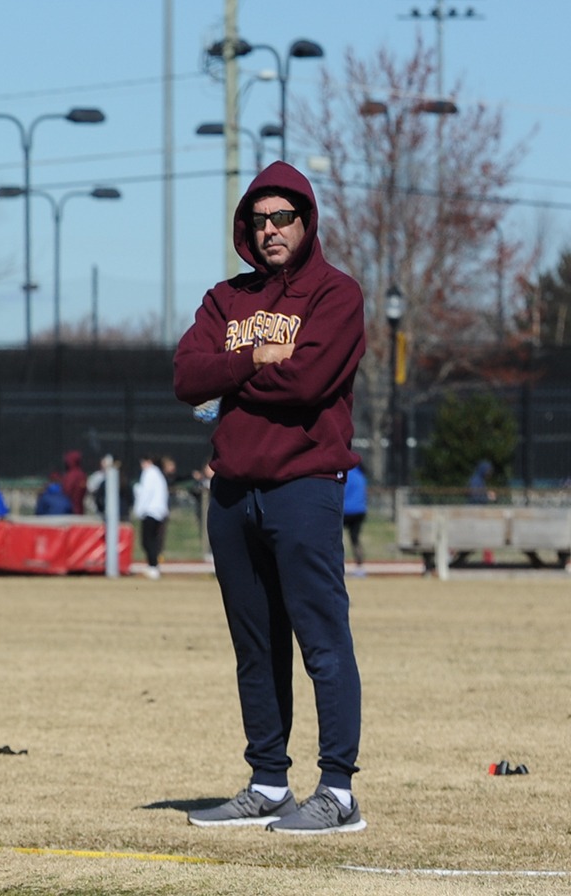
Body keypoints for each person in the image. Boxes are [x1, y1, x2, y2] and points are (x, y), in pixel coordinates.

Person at [173, 161, 367, 834]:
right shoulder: (225, 299)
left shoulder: (337, 295)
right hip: (233, 494)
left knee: (322, 641)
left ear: (306, 222)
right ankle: (268, 784)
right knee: (255, 646)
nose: (271, 230)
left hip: (304, 488)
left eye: (283, 217)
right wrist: (253, 359)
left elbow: (309, 382)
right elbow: (186, 376)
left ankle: (338, 792)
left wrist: (228, 377)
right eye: (258, 220)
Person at [132, 456, 170, 580]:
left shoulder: (149, 473)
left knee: (147, 541)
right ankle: (153, 565)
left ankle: (153, 566)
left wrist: (138, 510)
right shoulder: (158, 474)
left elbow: (146, 493)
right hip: (159, 512)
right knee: (153, 540)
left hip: (150, 511)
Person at [342, 461, 367, 578]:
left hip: (346, 510)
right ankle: (360, 567)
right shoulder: (361, 476)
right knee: (355, 539)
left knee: (336, 538)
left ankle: (338, 565)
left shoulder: (345, 474)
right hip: (360, 511)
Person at [60, 450, 87, 515]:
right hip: (78, 509)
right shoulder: (81, 474)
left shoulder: (71, 475)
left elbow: (67, 490)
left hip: (70, 509)